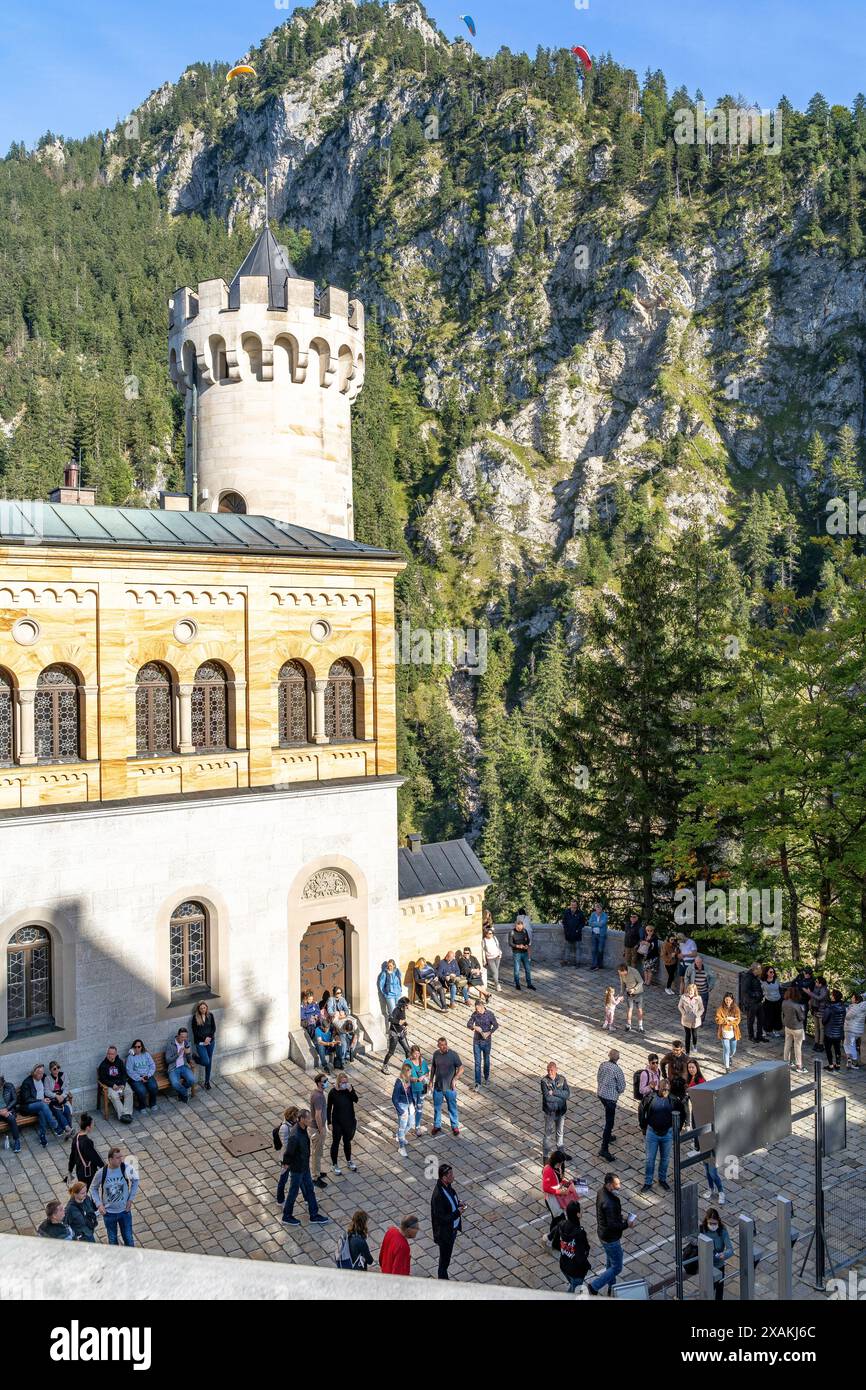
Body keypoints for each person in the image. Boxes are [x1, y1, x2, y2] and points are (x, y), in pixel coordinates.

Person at [586, 1173, 635, 1296]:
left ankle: (612, 1288)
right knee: (617, 1267)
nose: (619, 1187)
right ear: (609, 1185)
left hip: (603, 1234)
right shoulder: (610, 1203)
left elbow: (609, 1218)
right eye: (616, 1185)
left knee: (610, 1263)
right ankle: (594, 1286)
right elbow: (613, 1225)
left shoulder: (601, 1192)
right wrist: (627, 1224)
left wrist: (619, 1217)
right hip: (611, 1238)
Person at [281, 1110, 329, 1226]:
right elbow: (289, 1152)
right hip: (297, 1168)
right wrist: (286, 1164)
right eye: (308, 1119)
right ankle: (286, 1216)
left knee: (309, 1189)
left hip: (304, 1166)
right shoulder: (295, 1135)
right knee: (293, 1192)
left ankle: (314, 1215)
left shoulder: (302, 1130)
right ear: (301, 1119)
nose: (310, 1120)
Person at [639, 1079, 683, 1193]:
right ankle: (648, 1182)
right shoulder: (651, 1098)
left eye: (668, 1090)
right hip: (652, 1133)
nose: (665, 1092)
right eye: (664, 1089)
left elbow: (682, 1113)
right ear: (659, 1087)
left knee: (665, 1159)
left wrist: (677, 1128)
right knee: (650, 1159)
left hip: (667, 1133)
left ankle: (662, 1179)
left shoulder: (673, 1100)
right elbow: (641, 1108)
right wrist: (643, 1125)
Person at [93, 1146, 139, 1246]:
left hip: (124, 1212)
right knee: (112, 1240)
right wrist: (99, 1204)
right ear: (110, 1159)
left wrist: (130, 1199)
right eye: (117, 1158)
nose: (120, 1160)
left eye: (121, 1157)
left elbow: (136, 1180)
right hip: (109, 1213)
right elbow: (93, 1188)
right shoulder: (101, 1173)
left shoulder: (126, 1168)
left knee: (128, 1238)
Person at [430, 1163, 465, 1280]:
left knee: (446, 1258)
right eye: (450, 1175)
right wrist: (457, 1213)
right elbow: (441, 1218)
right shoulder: (438, 1195)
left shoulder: (448, 1187)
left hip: (452, 1230)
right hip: (445, 1234)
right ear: (444, 1177)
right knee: (444, 1261)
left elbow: (450, 1201)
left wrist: (458, 1203)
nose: (453, 1176)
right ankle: (443, 1280)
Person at [20, 1063, 65, 1145]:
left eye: (42, 1073)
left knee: (42, 1112)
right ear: (34, 1073)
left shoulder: (44, 1077)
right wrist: (41, 1100)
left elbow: (50, 1086)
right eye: (39, 1073)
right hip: (28, 1106)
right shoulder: (27, 1083)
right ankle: (55, 1126)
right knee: (42, 1105)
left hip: (42, 1105)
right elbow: (26, 1099)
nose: (41, 1075)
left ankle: (42, 1136)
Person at [429, 1037, 463, 1136]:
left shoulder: (453, 1055)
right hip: (438, 1086)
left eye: (445, 1044)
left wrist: (455, 1079)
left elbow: (461, 1068)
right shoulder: (436, 1054)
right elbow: (433, 1068)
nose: (444, 1047)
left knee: (452, 1107)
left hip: (450, 1088)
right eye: (441, 1045)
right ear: (438, 1046)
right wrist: (431, 1080)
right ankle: (437, 1125)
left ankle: (454, 1126)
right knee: (437, 1107)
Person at [596, 1048, 625, 1161]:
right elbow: (622, 1086)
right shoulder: (617, 1070)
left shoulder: (603, 1065)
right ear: (617, 1058)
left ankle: (608, 1137)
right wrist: (616, 1091)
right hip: (611, 1099)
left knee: (608, 1118)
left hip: (601, 1094)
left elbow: (598, 1077)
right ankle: (604, 1148)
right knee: (609, 1122)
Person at [326, 1072, 359, 1174]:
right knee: (336, 1142)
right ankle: (334, 1164)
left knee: (347, 1142)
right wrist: (329, 1122)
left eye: (346, 1082)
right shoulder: (333, 1092)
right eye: (343, 1083)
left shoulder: (349, 1089)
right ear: (339, 1082)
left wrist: (351, 1091)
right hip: (337, 1121)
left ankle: (349, 1161)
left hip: (348, 1120)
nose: (345, 1084)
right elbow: (329, 1108)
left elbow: (356, 1100)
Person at [558, 1199, 591, 1293]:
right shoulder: (580, 1233)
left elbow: (555, 1242)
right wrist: (586, 1265)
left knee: (573, 1288)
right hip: (576, 1272)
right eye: (581, 1210)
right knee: (574, 1292)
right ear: (577, 1215)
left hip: (564, 1265)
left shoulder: (561, 1225)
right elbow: (583, 1252)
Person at [700, 1207, 734, 1300]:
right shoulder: (702, 1229)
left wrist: (725, 1254)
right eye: (710, 1223)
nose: (713, 1225)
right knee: (707, 1290)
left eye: (715, 1223)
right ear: (706, 1221)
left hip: (719, 1265)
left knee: (719, 1291)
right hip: (706, 1265)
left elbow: (731, 1250)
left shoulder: (722, 1231)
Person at [467, 997, 498, 1089]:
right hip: (477, 1041)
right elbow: (468, 1024)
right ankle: (477, 1083)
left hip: (487, 1042)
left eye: (478, 1009)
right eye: (475, 1009)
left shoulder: (490, 1014)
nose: (476, 1011)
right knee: (477, 1062)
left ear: (482, 1006)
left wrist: (489, 1033)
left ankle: (486, 1077)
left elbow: (496, 1025)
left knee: (486, 1061)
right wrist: (474, 1027)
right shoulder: (475, 1014)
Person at [540, 1061, 570, 1158]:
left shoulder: (562, 1079)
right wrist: (561, 1098)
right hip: (550, 1112)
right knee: (548, 1134)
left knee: (560, 1132)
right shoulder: (544, 1081)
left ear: (556, 1070)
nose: (550, 1072)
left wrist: (554, 1092)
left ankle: (561, 1153)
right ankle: (545, 1155)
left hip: (560, 1111)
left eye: (551, 1070)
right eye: (548, 1070)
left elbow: (567, 1094)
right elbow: (548, 1098)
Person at [68, 1113, 103, 1186]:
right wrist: (105, 1168)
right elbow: (94, 1157)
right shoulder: (87, 1142)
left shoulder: (76, 1137)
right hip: (88, 1173)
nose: (93, 1126)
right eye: (92, 1124)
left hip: (79, 1170)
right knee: (85, 1191)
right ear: (88, 1127)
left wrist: (70, 1170)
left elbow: (72, 1156)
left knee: (82, 1190)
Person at [543, 1149, 579, 1217]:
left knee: (559, 1217)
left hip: (557, 1196)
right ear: (555, 1161)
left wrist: (567, 1183)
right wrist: (559, 1192)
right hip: (551, 1198)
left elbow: (559, 1180)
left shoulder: (557, 1167)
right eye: (559, 1163)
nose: (561, 1165)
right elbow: (546, 1188)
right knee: (558, 1218)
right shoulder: (548, 1170)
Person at [276, 1106, 300, 1205]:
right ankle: (280, 1200)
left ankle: (308, 1198)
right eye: (296, 1117)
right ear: (292, 1117)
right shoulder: (284, 1128)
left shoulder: (294, 1124)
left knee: (301, 1179)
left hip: (295, 1157)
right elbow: (286, 1145)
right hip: (287, 1158)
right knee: (283, 1179)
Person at [126, 1040, 159, 1111]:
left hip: (147, 1075)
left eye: (139, 1047)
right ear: (133, 1048)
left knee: (153, 1087)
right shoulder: (130, 1057)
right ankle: (142, 1106)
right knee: (142, 1091)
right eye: (135, 1047)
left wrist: (148, 1075)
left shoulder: (146, 1054)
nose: (137, 1048)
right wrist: (140, 1078)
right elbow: (129, 1071)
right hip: (136, 1078)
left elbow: (152, 1065)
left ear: (141, 1047)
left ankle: (152, 1104)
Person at [381, 996, 411, 1073]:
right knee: (391, 1052)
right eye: (407, 1005)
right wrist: (398, 1022)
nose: (408, 1006)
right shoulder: (396, 1010)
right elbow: (390, 1019)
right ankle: (384, 1066)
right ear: (403, 1005)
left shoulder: (403, 1010)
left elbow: (402, 1020)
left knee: (408, 1050)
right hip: (394, 1033)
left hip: (401, 1032)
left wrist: (405, 1024)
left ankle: (407, 1067)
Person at [165, 1028, 196, 1102]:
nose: (184, 1039)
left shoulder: (187, 1043)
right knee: (175, 1084)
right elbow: (168, 1060)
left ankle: (181, 1092)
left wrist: (188, 1054)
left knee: (192, 1080)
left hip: (184, 1066)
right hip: (173, 1068)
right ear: (178, 1036)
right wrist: (178, 1054)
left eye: (185, 1037)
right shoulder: (171, 1044)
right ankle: (184, 1093)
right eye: (182, 1037)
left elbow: (189, 1058)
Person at [191, 1001, 217, 1090]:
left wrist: (209, 1037)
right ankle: (195, 1057)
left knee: (209, 1062)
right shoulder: (195, 1018)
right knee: (206, 1061)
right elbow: (195, 1032)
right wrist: (204, 1039)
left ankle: (207, 1082)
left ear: (206, 1008)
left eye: (204, 1008)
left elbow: (213, 1028)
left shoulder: (210, 1015)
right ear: (198, 1009)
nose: (203, 1009)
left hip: (210, 1042)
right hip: (200, 1043)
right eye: (201, 1008)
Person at [309, 1075, 329, 1190]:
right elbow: (317, 1114)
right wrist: (321, 1129)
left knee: (319, 1151)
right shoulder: (318, 1097)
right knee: (316, 1153)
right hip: (317, 1129)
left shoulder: (317, 1094)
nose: (326, 1082)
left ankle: (318, 1171)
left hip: (318, 1127)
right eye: (324, 1081)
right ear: (318, 1083)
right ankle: (315, 1177)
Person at [44, 1061, 74, 1137]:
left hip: (63, 1098)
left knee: (67, 1110)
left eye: (58, 1068)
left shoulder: (64, 1075)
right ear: (50, 1070)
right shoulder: (47, 1078)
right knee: (57, 1111)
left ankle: (68, 1129)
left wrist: (62, 1096)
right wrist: (56, 1096)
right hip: (53, 1100)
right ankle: (68, 1128)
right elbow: (46, 1091)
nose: (57, 1070)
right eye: (54, 1069)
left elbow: (67, 1087)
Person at [782, 987, 807, 1072]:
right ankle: (799, 1066)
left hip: (787, 1026)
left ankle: (786, 1062)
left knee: (787, 1044)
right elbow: (802, 1017)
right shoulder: (797, 1005)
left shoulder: (784, 1002)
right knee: (797, 1047)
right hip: (797, 1028)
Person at [392, 1063, 414, 1158]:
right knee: (402, 1126)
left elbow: (411, 1092)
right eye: (410, 1072)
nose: (411, 1073)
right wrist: (400, 1110)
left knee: (410, 1123)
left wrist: (413, 1103)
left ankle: (400, 1136)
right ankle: (401, 1147)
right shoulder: (399, 1082)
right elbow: (394, 1098)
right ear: (406, 1072)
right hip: (402, 1106)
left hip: (410, 1105)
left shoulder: (409, 1080)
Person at [407, 1045, 429, 1136]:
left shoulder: (423, 1062)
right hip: (411, 1090)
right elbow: (405, 1075)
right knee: (410, 1110)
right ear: (411, 1054)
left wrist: (423, 1076)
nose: (416, 1055)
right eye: (415, 1054)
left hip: (421, 1089)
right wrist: (413, 1079)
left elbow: (427, 1073)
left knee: (419, 1108)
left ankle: (417, 1127)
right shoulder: (407, 1062)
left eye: (418, 1053)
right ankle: (406, 1127)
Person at [684, 955, 715, 1022]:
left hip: (704, 992)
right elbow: (686, 977)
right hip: (694, 992)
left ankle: (701, 1021)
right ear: (695, 962)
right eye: (697, 962)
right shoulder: (690, 968)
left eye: (700, 962)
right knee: (693, 1007)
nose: (698, 964)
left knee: (703, 1007)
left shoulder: (707, 968)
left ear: (702, 962)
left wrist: (710, 986)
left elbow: (713, 977)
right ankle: (693, 1019)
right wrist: (688, 988)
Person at [715, 993, 741, 1072]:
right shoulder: (720, 1009)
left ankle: (730, 1057)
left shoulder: (736, 1008)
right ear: (724, 999)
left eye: (729, 1000)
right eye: (726, 1000)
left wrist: (729, 1022)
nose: (728, 1001)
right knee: (726, 1050)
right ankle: (727, 1068)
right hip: (724, 1032)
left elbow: (738, 1019)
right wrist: (727, 1021)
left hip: (734, 1032)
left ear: (732, 1000)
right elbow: (718, 1019)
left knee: (733, 1050)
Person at [616, 963, 645, 1034]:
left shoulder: (634, 971)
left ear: (625, 970)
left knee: (639, 1010)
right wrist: (621, 994)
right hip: (629, 994)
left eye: (621, 973)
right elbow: (622, 984)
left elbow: (641, 981)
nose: (620, 974)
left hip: (638, 993)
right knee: (629, 1009)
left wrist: (634, 989)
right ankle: (628, 1025)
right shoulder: (621, 974)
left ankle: (640, 1026)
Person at [822, 991, 847, 1071]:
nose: (830, 996)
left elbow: (824, 1020)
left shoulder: (829, 1008)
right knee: (837, 1049)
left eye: (832, 995)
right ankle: (838, 1064)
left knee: (828, 1049)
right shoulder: (843, 1007)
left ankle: (830, 1066)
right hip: (839, 1033)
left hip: (829, 1033)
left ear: (834, 997)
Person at [741, 962, 765, 1044]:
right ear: (755, 969)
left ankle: (759, 1035)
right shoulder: (747, 977)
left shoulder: (756, 977)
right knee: (750, 1020)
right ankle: (751, 1036)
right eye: (760, 969)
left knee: (761, 1019)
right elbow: (744, 991)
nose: (761, 970)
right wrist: (755, 994)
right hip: (751, 1003)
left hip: (759, 1002)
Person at [509, 917, 534, 990]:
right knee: (517, 970)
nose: (520, 930)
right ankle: (517, 984)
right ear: (516, 926)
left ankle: (529, 984)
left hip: (525, 953)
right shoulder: (512, 932)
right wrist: (518, 946)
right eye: (519, 928)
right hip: (517, 953)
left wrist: (526, 945)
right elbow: (510, 943)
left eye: (521, 928)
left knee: (528, 969)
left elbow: (528, 940)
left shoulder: (524, 931)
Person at [679, 982, 704, 1054]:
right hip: (686, 1019)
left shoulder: (698, 998)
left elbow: (702, 1009)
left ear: (694, 991)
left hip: (695, 1020)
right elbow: (680, 1006)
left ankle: (694, 1045)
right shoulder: (683, 997)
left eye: (692, 991)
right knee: (687, 1035)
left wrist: (697, 1015)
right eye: (689, 990)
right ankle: (687, 1052)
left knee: (694, 1034)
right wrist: (684, 1013)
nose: (690, 992)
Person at [559, 900, 585, 967]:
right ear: (570, 905)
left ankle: (578, 963)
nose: (573, 906)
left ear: (577, 905)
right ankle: (565, 961)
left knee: (578, 949)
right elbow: (564, 922)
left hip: (577, 934)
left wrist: (577, 930)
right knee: (567, 948)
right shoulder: (566, 912)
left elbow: (582, 923)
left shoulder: (580, 913)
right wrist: (566, 931)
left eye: (574, 905)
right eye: (572, 905)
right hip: (569, 934)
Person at [844, 992, 866, 1069]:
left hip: (851, 1030)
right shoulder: (863, 1006)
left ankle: (854, 1062)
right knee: (848, 1044)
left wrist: (847, 1009)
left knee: (850, 1045)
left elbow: (847, 1016)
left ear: (856, 1000)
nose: (851, 999)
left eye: (853, 998)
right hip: (858, 1030)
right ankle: (849, 1060)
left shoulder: (855, 1008)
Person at [0, 1074, 21, 1152]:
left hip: (8, 1110)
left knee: (12, 1118)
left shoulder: (9, 1086)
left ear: (3, 1083)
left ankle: (17, 1141)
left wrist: (6, 1109)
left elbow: (15, 1100)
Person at [808, 975, 829, 1051]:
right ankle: (816, 1043)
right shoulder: (815, 988)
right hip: (815, 1010)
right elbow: (812, 998)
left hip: (822, 1011)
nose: (815, 982)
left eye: (816, 981)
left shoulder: (824, 990)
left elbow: (819, 997)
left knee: (821, 1028)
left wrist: (810, 993)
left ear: (820, 984)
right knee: (816, 1028)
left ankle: (821, 1044)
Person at [761, 966, 783, 1039]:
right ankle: (766, 1030)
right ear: (766, 973)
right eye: (771, 972)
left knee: (777, 1016)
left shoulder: (777, 980)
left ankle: (775, 1030)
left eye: (773, 971)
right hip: (768, 1001)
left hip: (777, 1001)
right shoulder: (763, 982)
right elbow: (761, 991)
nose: (772, 973)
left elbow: (781, 988)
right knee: (767, 1017)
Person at [481, 921, 502, 993]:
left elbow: (498, 946)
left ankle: (495, 981)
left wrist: (500, 953)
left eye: (492, 933)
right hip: (490, 958)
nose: (491, 934)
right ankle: (497, 985)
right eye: (489, 933)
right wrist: (484, 960)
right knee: (495, 972)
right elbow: (483, 951)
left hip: (497, 956)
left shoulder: (494, 938)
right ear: (486, 934)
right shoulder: (484, 941)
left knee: (496, 971)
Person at [588, 901, 608, 970]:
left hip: (601, 935)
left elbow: (602, 924)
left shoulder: (605, 915)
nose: (598, 909)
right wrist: (597, 923)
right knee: (594, 950)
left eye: (599, 908)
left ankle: (600, 965)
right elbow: (590, 923)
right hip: (594, 935)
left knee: (600, 950)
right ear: (595, 908)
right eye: (597, 907)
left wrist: (595, 923)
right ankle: (594, 964)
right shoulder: (593, 914)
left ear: (601, 909)